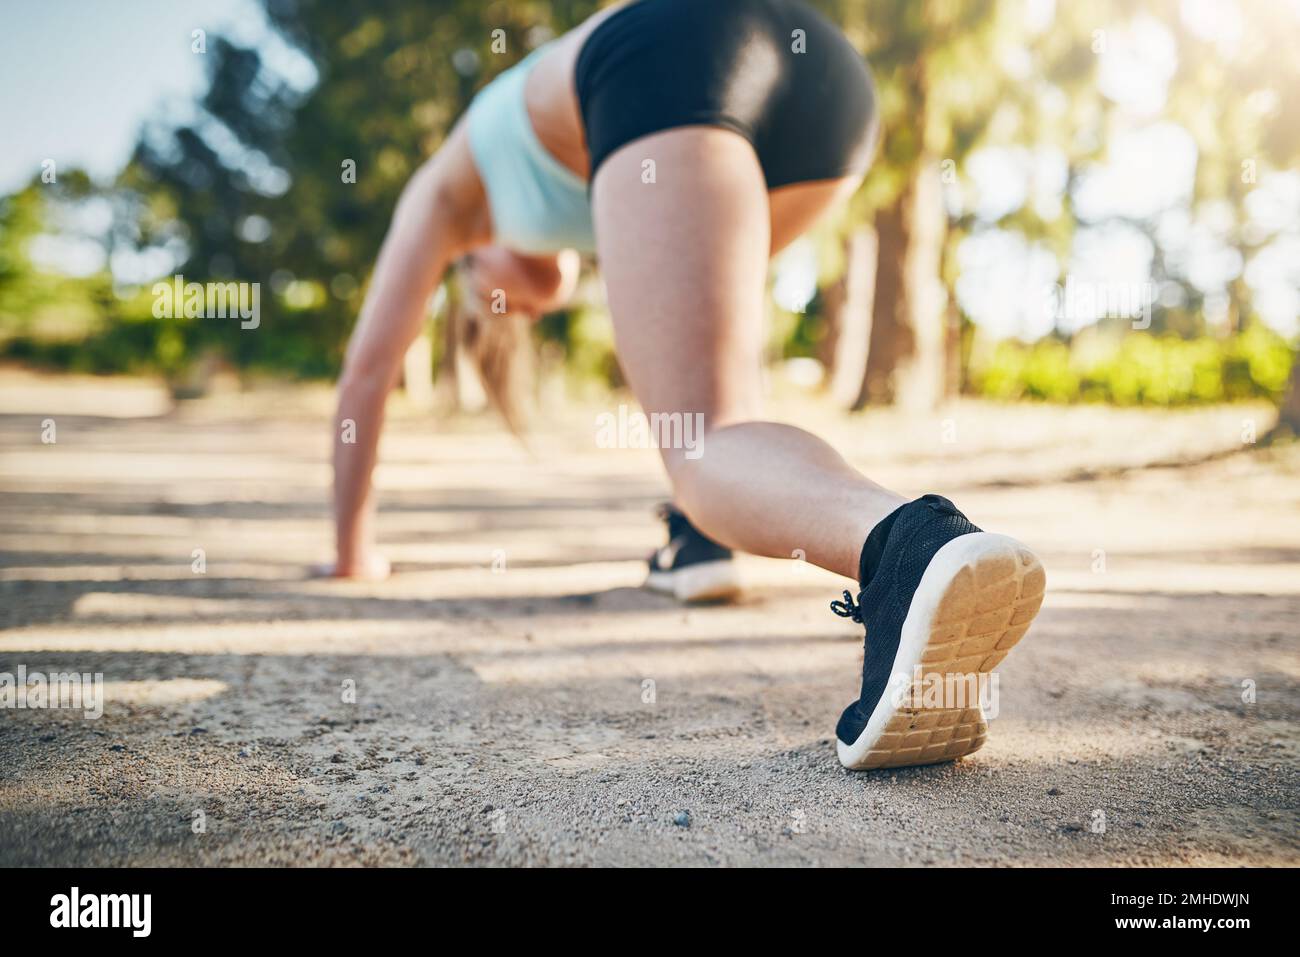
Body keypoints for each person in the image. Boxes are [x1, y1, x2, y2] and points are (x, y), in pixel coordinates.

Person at [321, 0, 1047, 770]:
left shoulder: (441, 196)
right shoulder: (578, 176)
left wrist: (350, 550)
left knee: (701, 441)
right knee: (717, 396)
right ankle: (704, 536)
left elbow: (367, 371)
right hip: (821, 92)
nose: (528, 306)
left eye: (500, 303)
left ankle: (908, 547)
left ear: (470, 271)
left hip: (675, 52)